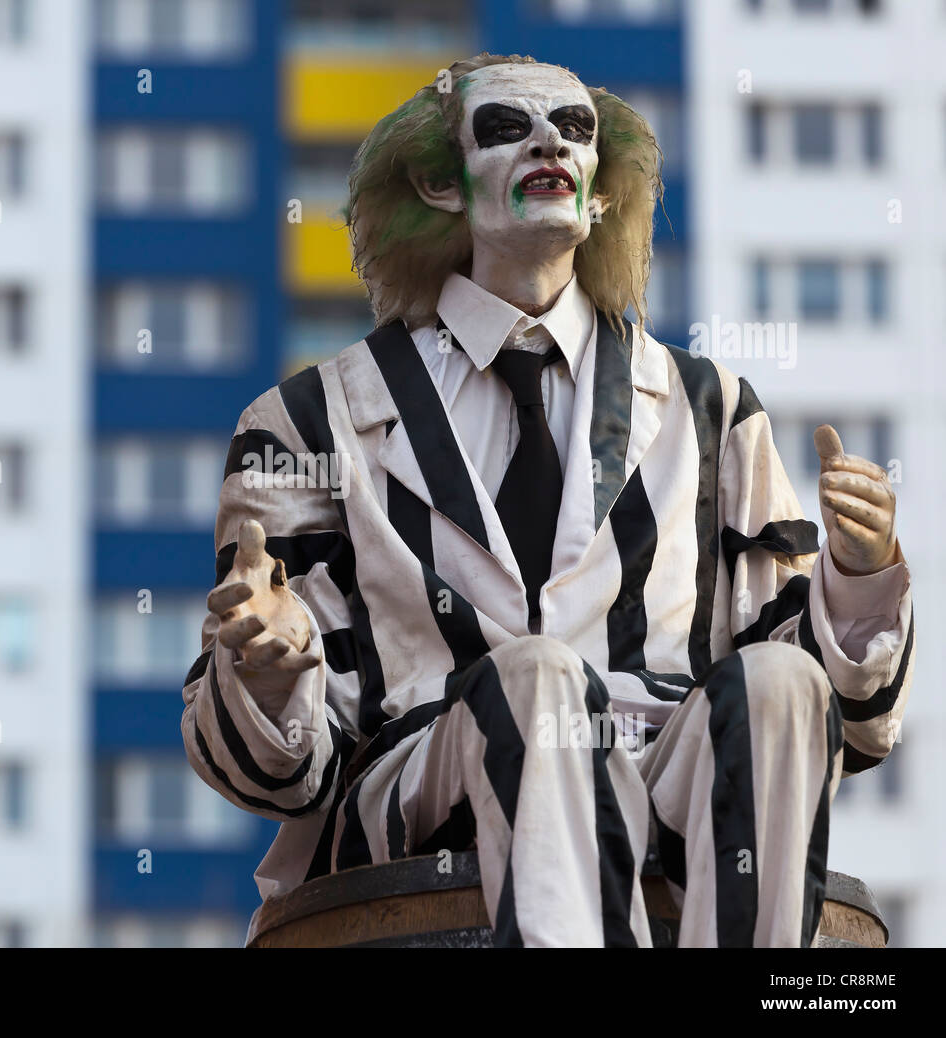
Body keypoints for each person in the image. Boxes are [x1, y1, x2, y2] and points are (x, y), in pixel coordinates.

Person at [181, 54, 912, 947]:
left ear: (600, 194)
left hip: (666, 771)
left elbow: (846, 725)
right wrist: (270, 664)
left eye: (574, 128)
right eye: (506, 127)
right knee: (538, 682)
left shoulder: (712, 408)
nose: (547, 143)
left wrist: (858, 580)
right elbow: (279, 775)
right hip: (419, 787)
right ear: (439, 185)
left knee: (783, 684)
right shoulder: (308, 421)